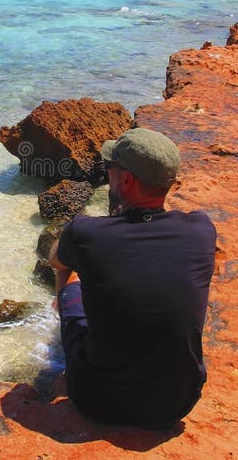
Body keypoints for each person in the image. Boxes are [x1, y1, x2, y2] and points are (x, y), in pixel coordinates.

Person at [49, 127, 216, 428]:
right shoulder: (201, 231)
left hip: (98, 400)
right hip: (177, 402)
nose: (107, 173)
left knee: (71, 281)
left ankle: (63, 361)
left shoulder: (87, 231)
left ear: (126, 179)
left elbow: (54, 260)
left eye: (110, 168)